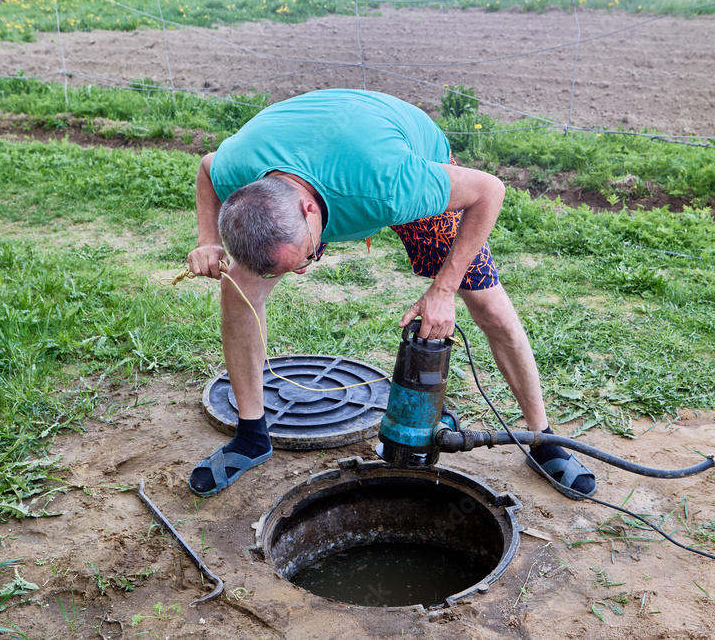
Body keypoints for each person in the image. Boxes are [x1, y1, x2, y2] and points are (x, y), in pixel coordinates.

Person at [184, 89, 596, 499]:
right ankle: (252, 435)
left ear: (309, 210)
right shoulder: (239, 167)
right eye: (298, 264)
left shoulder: (394, 184)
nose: (309, 267)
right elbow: (207, 168)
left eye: (308, 255)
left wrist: (443, 290)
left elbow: (490, 190)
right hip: (318, 150)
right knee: (236, 289)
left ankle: (543, 438)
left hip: (391, 152)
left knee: (490, 307)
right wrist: (208, 240)